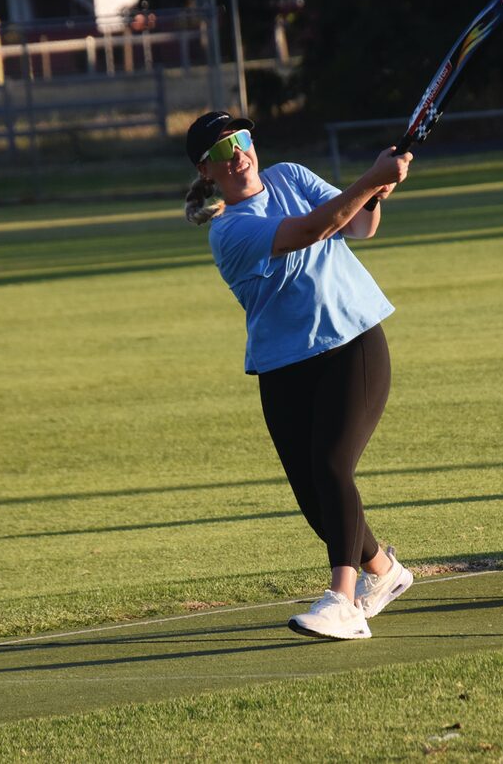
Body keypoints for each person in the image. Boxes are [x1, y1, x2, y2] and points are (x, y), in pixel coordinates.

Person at [183, 110, 415, 640]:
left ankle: (343, 601)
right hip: (282, 364)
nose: (238, 153)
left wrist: (378, 190)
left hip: (352, 339)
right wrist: (371, 180)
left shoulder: (290, 175)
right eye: (222, 151)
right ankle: (383, 573)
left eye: (241, 140)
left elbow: (358, 224)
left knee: (333, 466)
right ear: (206, 171)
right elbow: (315, 228)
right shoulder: (230, 230)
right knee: (313, 495)